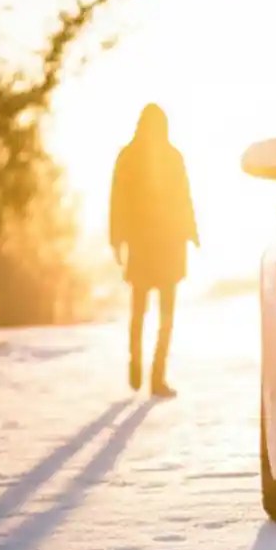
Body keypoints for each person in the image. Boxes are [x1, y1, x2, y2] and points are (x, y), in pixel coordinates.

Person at [109, 104, 198, 397]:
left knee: (140, 312)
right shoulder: (172, 157)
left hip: (145, 246)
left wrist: (117, 238)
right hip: (166, 247)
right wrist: (190, 232)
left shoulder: (129, 156)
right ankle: (155, 376)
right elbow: (183, 198)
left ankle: (139, 367)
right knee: (163, 316)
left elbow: (117, 200)